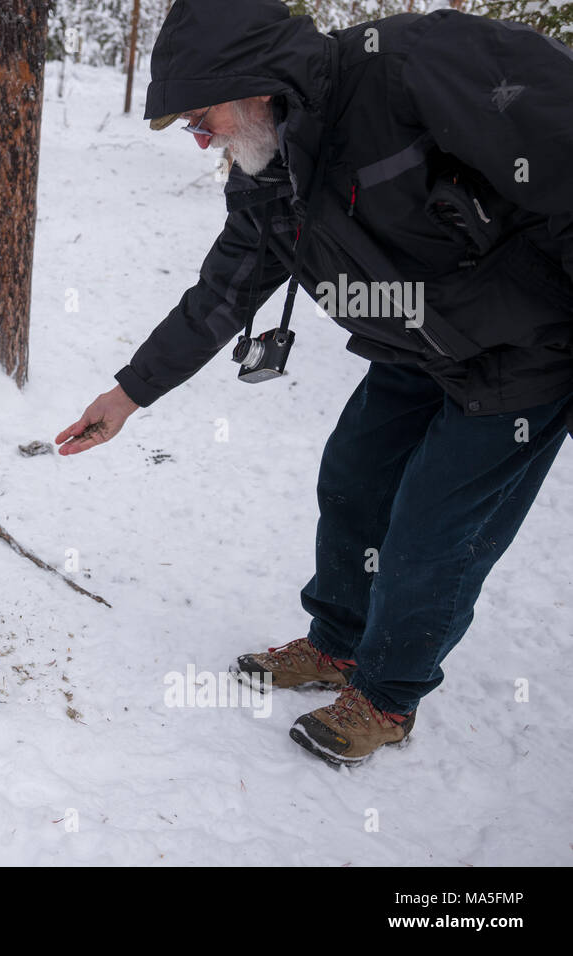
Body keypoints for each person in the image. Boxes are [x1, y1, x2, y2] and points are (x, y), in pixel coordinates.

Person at [56, 0, 573, 767]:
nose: (202, 140)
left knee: (432, 532)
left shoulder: (414, 65)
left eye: (202, 119)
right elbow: (226, 289)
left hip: (523, 351)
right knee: (354, 483)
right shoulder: (270, 171)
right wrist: (131, 393)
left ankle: (388, 696)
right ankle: (338, 644)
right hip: (418, 346)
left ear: (256, 82)